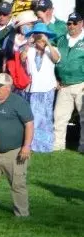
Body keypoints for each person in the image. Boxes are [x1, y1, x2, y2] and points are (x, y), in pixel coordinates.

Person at [0, 73, 34, 218]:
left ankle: (22, 214)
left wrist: (26, 146)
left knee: (18, 184)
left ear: (8, 88)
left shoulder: (19, 103)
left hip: (14, 152)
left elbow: (29, 124)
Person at [21, 23, 60, 152]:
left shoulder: (51, 49)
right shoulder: (29, 50)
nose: (41, 40)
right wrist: (28, 43)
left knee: (45, 117)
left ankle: (45, 145)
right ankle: (31, 144)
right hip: (32, 89)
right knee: (32, 117)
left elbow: (56, 59)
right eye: (38, 36)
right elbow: (22, 58)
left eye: (42, 36)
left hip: (47, 89)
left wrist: (47, 43)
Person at [54, 12, 84, 152]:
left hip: (81, 84)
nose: (71, 26)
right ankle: (57, 146)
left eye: (75, 23)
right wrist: (55, 79)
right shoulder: (61, 40)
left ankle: (82, 147)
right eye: (69, 23)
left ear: (81, 24)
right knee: (59, 118)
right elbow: (52, 60)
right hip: (63, 85)